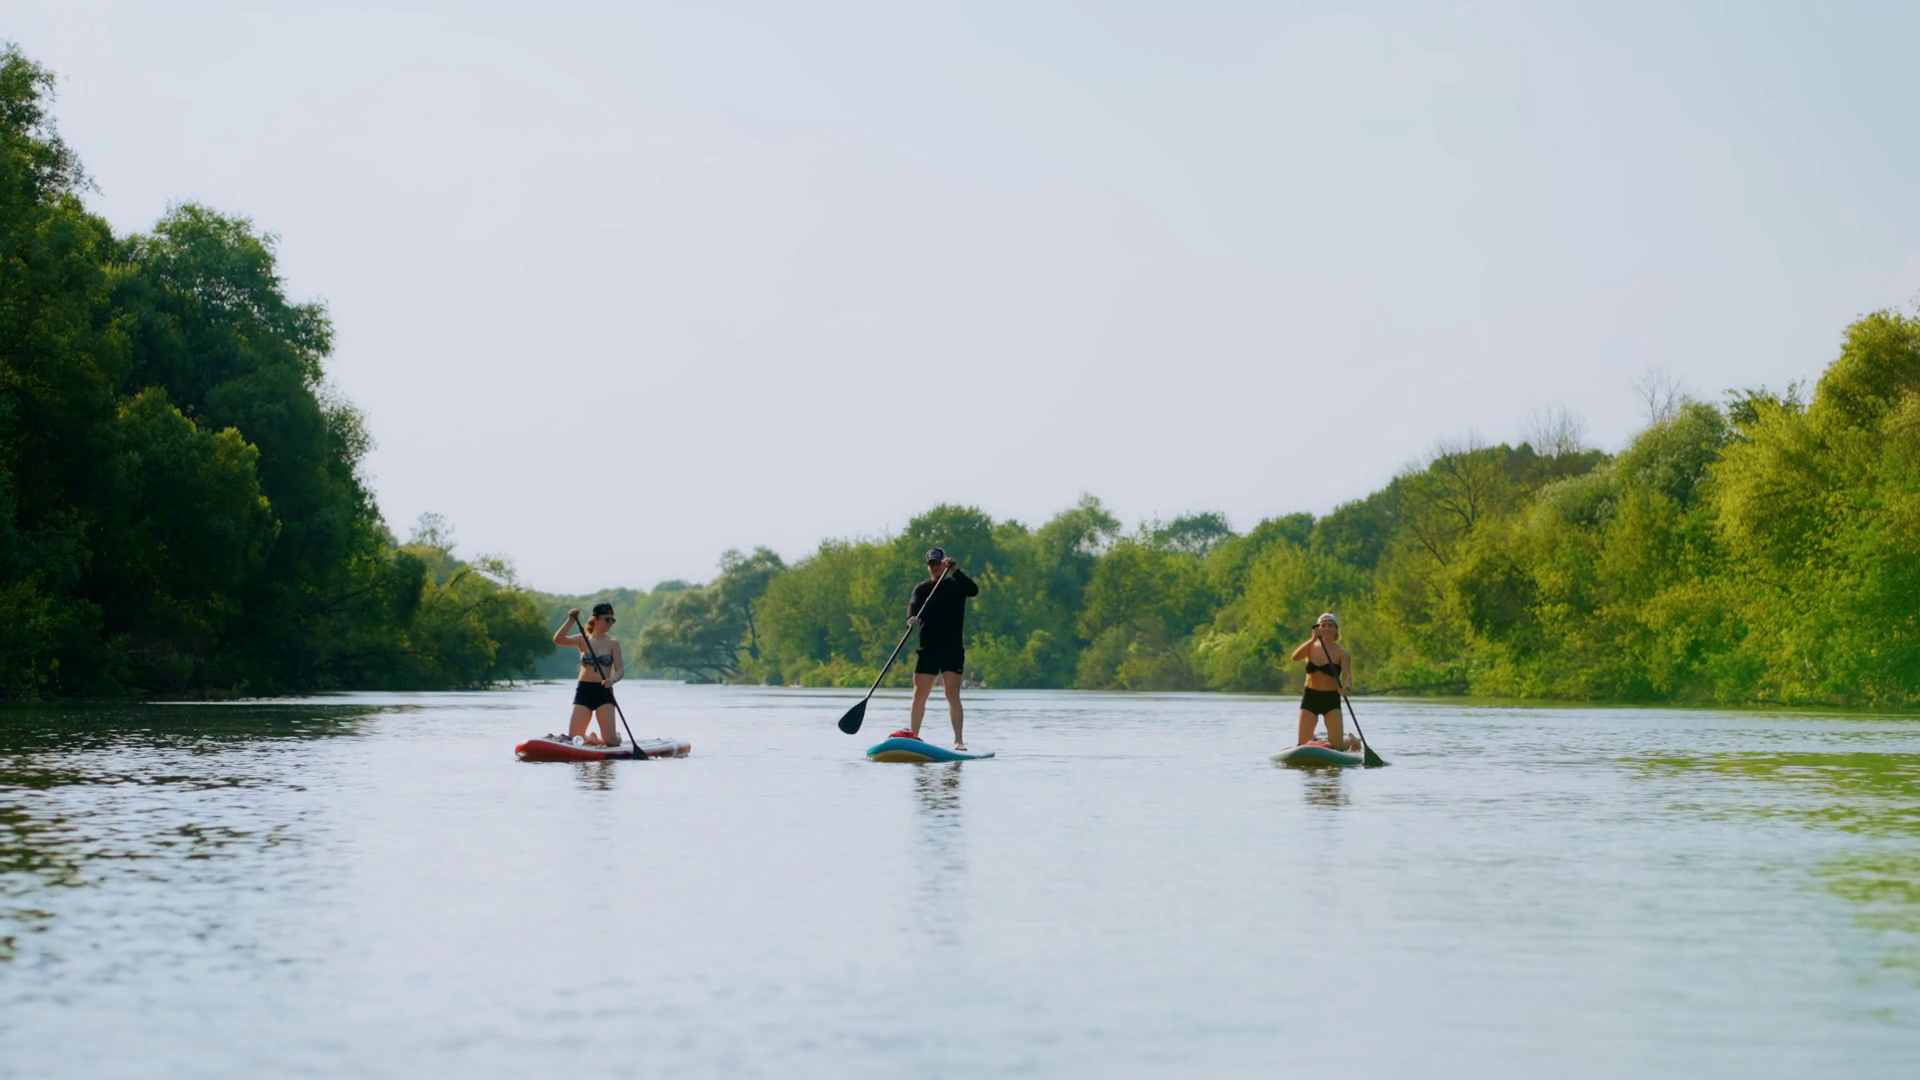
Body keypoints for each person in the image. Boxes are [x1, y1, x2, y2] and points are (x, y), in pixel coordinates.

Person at [900, 548, 979, 750]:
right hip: (928, 649)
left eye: (938, 564)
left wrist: (955, 570)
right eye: (931, 565)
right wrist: (911, 619)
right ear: (928, 567)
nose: (935, 568)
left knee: (952, 694)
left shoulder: (956, 585)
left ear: (944, 564)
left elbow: (973, 590)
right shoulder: (922, 588)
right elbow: (913, 606)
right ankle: (913, 736)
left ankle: (959, 741)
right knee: (919, 693)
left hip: (952, 649)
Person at [551, 602, 624, 746]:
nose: (610, 623)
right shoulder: (582, 639)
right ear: (595, 619)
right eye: (607, 619)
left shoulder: (612, 643)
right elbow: (558, 640)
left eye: (612, 620)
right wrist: (571, 620)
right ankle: (591, 739)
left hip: (604, 691)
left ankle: (617, 736)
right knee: (575, 739)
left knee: (610, 741)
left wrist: (612, 680)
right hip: (584, 690)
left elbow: (620, 670)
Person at [1289, 613, 1359, 750]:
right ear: (1318, 628)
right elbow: (1295, 657)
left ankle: (1351, 739)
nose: (1326, 628)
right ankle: (1315, 741)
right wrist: (1312, 639)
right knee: (1302, 743)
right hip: (1310, 697)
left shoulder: (1341, 653)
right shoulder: (1310, 647)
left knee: (1337, 746)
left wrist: (1347, 687)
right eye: (1323, 626)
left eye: (1330, 626)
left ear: (1336, 630)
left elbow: (1347, 675)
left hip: (1331, 699)